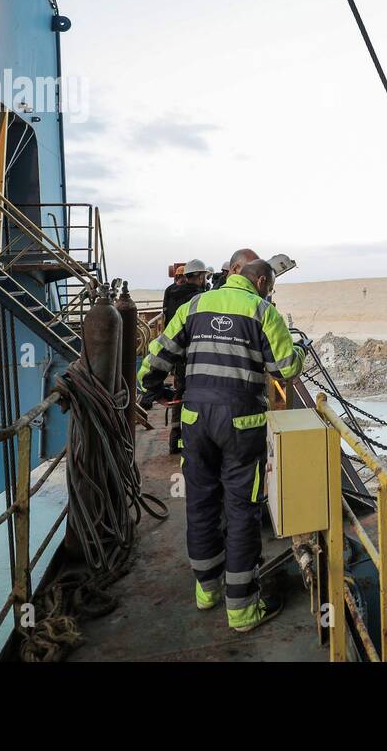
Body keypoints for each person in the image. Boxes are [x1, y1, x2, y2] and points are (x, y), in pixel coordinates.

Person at [137, 258, 304, 633]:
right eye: (270, 286)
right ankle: (243, 609)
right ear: (261, 281)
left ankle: (206, 591)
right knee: (242, 508)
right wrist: (301, 352)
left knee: (200, 502)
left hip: (196, 420)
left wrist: (150, 386)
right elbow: (286, 368)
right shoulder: (263, 311)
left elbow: (157, 357)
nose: (269, 292)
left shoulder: (195, 306)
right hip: (242, 424)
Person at [159, 259, 213, 456]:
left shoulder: (171, 293)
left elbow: (167, 320)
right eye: (204, 276)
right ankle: (195, 441)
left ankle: (175, 440)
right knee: (198, 395)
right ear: (199, 276)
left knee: (179, 392)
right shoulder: (199, 298)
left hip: (176, 351)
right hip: (195, 355)